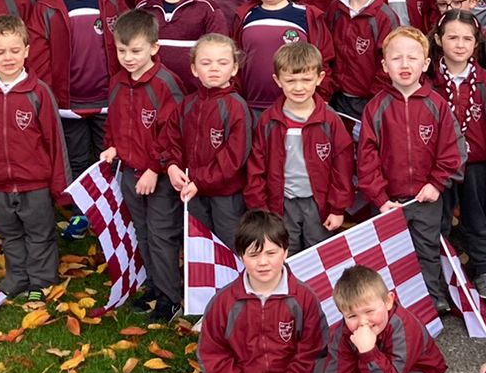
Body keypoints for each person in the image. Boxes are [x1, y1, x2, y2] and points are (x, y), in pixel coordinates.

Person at [197, 208, 326, 373]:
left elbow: (312, 350)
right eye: (254, 255)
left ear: (285, 252)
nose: (263, 262)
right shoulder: (224, 302)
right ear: (241, 256)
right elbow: (212, 352)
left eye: (271, 253)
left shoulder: (303, 299)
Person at [0, 15, 69, 301]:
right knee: (9, 234)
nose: (8, 58)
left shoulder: (38, 93)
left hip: (36, 183)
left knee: (39, 234)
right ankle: (17, 276)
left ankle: (41, 281)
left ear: (26, 50)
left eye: (14, 50)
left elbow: (55, 141)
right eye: (0, 52)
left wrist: (60, 185)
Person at [357, 26, 463, 314]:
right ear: (385, 65)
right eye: (396, 58)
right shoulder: (376, 108)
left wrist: (437, 184)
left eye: (412, 58)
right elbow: (366, 159)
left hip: (426, 198)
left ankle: (432, 297)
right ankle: (390, 303)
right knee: (389, 252)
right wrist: (380, 199)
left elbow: (452, 151)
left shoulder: (437, 105)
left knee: (427, 249)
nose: (404, 65)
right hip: (388, 202)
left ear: (425, 64)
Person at [102, 9, 187, 319]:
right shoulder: (117, 82)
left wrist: (154, 168)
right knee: (143, 232)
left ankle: (170, 298)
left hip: (159, 177)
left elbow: (173, 134)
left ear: (154, 47)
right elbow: (113, 121)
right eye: (122, 50)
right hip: (129, 172)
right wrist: (111, 146)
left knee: (162, 235)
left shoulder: (166, 84)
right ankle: (154, 285)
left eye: (136, 51)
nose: (128, 58)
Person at [30, 0, 126, 184]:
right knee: (76, 159)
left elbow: (128, 43)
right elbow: (39, 60)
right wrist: (52, 99)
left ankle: (115, 205)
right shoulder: (46, 8)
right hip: (69, 105)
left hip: (107, 98)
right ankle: (78, 205)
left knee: (111, 156)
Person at [245, 41, 352, 252]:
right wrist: (261, 209)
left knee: (319, 253)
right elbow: (256, 168)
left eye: (306, 79)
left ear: (319, 78)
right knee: (286, 253)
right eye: (290, 80)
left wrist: (338, 208)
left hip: (319, 205)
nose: (299, 87)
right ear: (278, 80)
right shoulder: (268, 121)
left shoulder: (330, 121)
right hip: (280, 206)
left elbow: (342, 167)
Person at [433, 10, 486, 302]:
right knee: (439, 221)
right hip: (439, 167)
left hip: (477, 164)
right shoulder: (428, 80)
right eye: (452, 38)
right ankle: (438, 279)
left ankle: (484, 270)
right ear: (439, 40)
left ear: (476, 43)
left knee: (478, 219)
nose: (460, 45)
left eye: (467, 39)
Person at [172, 34, 250, 249]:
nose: (214, 68)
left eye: (222, 63)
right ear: (194, 69)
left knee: (229, 246)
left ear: (234, 68)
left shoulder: (236, 107)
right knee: (199, 245)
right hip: (192, 191)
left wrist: (200, 181)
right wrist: (171, 166)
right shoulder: (187, 104)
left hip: (226, 195)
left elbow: (234, 157)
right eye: (206, 63)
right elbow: (171, 140)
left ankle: (234, 273)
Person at [235, 0, 334, 111]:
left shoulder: (307, 16)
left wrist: (323, 96)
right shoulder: (244, 16)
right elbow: (235, 59)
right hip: (252, 105)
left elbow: (324, 59)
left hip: (298, 105)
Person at [326, 0, 392, 122]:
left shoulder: (385, 18)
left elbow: (387, 64)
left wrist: (374, 101)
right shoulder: (334, 9)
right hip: (336, 100)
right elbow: (326, 53)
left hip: (367, 103)